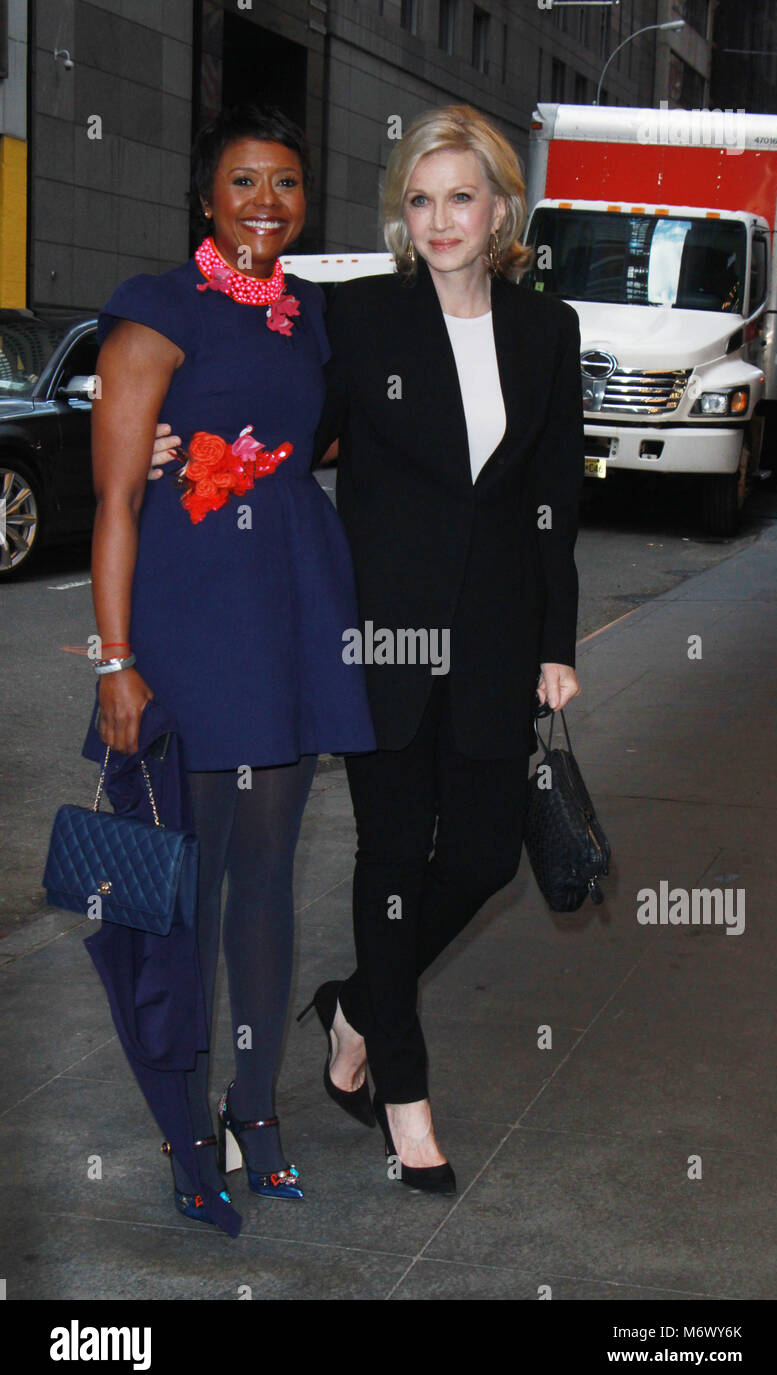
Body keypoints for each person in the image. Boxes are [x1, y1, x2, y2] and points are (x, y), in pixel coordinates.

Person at [151, 104, 583, 1195]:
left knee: (482, 858)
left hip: (496, 638)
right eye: (420, 200)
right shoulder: (363, 316)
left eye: (461, 198)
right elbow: (281, 419)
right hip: (382, 633)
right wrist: (167, 433)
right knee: (391, 856)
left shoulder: (547, 328)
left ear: (500, 210)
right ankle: (403, 1091)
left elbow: (553, 497)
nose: (439, 220)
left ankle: (353, 1005)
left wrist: (556, 640)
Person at [90, 102, 375, 1229]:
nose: (267, 202)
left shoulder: (312, 316)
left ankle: (256, 1110)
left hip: (288, 613)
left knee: (267, 880)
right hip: (190, 624)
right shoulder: (156, 309)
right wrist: (117, 659)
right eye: (245, 181)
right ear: (207, 195)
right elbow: (116, 500)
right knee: (187, 893)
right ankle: (187, 1125)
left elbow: (322, 435)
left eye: (286, 184)